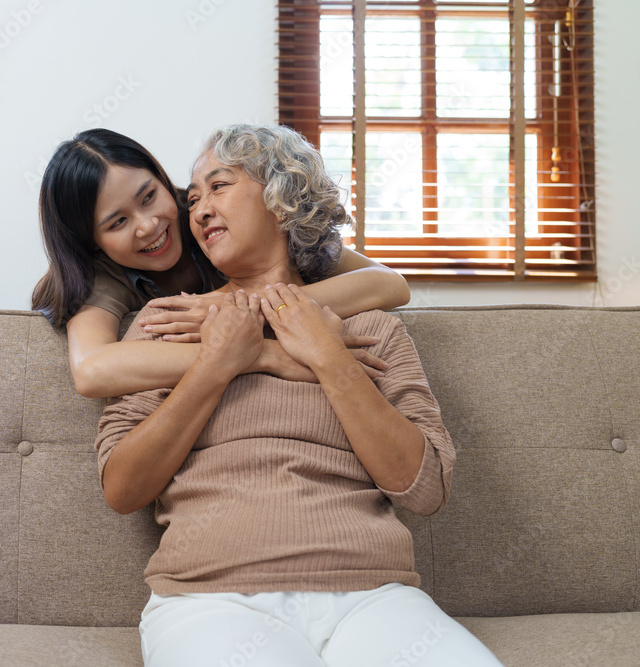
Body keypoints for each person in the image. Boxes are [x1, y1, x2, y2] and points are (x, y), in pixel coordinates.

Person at [95, 124, 503, 666]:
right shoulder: (168, 325)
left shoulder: (371, 326)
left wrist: (329, 357)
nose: (199, 211)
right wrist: (216, 364)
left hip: (372, 596)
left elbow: (424, 489)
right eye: (193, 200)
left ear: (281, 197)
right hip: (211, 600)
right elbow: (123, 488)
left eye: (219, 187)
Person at [31, 128, 411, 399]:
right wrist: (260, 353)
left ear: (164, 183)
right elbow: (92, 370)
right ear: (92, 243)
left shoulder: (208, 218)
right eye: (117, 222)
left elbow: (389, 284)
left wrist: (235, 308)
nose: (148, 226)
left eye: (149, 197)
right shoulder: (100, 274)